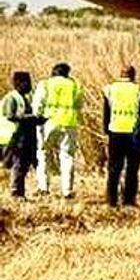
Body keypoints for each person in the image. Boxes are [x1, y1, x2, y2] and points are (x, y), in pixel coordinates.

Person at [33, 60, 82, 199]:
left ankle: (43, 188)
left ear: (53, 72)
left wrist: (37, 118)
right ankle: (67, 191)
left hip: (48, 122)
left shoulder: (45, 84)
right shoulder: (75, 85)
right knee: (67, 156)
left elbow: (38, 104)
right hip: (69, 123)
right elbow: (79, 104)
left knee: (43, 153)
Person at [102, 65, 140, 208]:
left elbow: (106, 112)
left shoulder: (110, 89)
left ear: (120, 74)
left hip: (115, 131)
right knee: (132, 168)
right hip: (133, 133)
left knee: (114, 168)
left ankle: (112, 200)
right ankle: (129, 200)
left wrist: (106, 130)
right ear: (133, 75)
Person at [2, 70, 41, 199]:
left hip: (23, 137)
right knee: (17, 164)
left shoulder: (24, 98)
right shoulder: (11, 98)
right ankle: (15, 192)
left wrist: (37, 120)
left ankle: (20, 192)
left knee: (23, 165)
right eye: (27, 82)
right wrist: (31, 118)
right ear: (18, 83)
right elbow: (10, 116)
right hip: (12, 137)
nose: (29, 85)